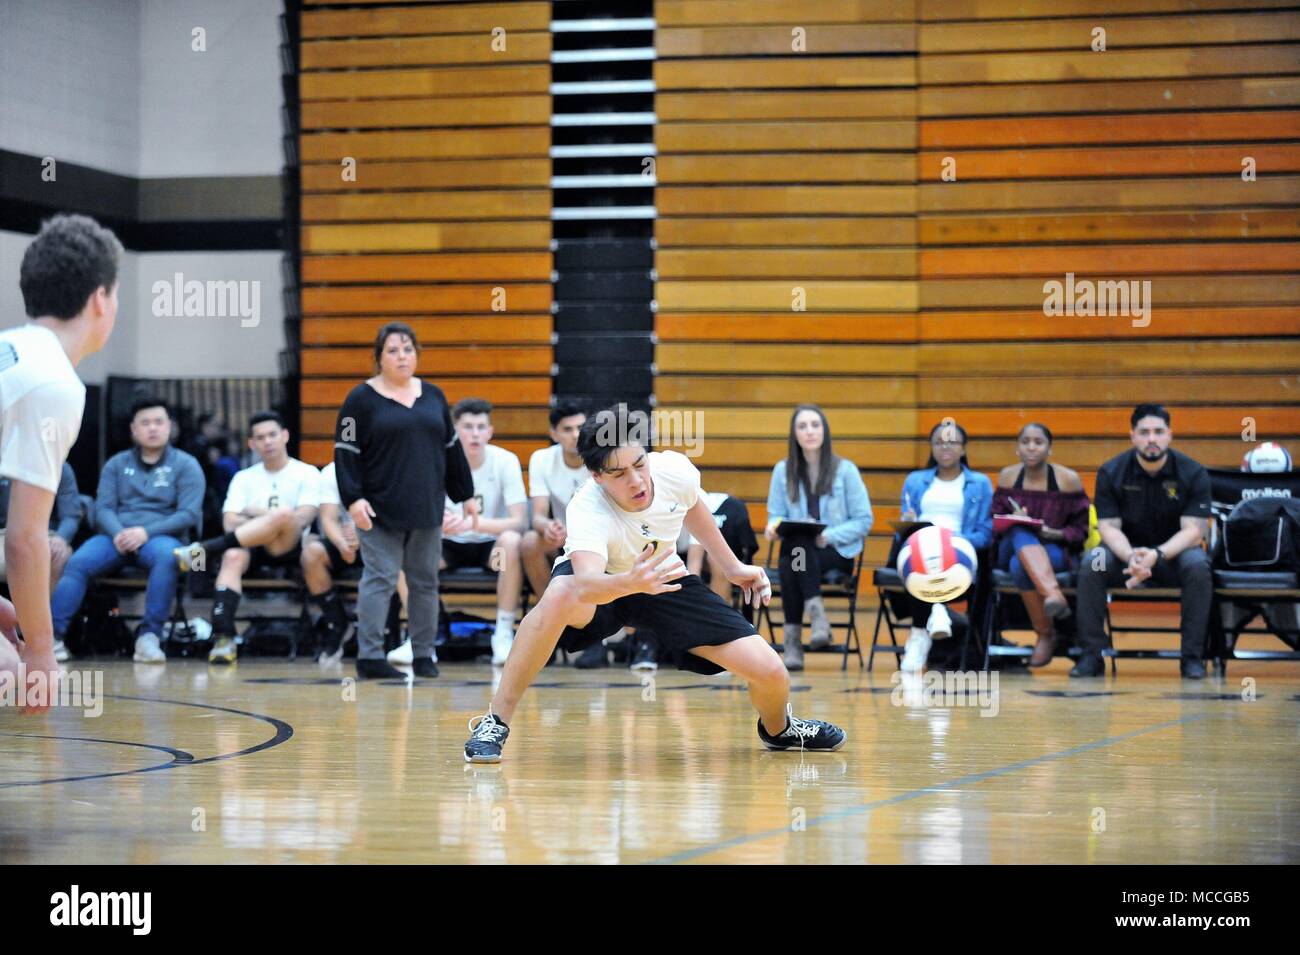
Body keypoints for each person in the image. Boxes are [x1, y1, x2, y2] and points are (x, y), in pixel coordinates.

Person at [462, 404, 846, 763]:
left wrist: (731, 566)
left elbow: (693, 506)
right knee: (560, 592)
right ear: (597, 477)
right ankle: (495, 720)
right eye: (618, 474)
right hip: (605, 587)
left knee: (772, 672)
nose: (636, 480)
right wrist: (630, 580)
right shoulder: (587, 506)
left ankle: (779, 730)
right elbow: (587, 584)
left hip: (663, 578)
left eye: (639, 464)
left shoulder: (673, 469)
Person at [0, 214, 121, 714]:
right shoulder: (54, 383)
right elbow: (25, 540)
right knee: (12, 669)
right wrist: (44, 655)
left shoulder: (13, 349)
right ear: (100, 299)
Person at [334, 322, 475, 680]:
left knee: (425, 582)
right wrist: (352, 499)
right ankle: (369, 656)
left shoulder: (433, 396)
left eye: (408, 349)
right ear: (379, 357)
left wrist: (465, 495)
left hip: (426, 506)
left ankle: (424, 655)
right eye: (393, 350)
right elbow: (345, 453)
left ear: (417, 354)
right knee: (379, 579)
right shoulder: (359, 400)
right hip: (378, 508)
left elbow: (451, 448)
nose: (402, 356)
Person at [51, 397, 204, 664]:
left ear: (170, 427)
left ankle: (149, 638)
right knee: (78, 562)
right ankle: (51, 638)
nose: (152, 428)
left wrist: (144, 533)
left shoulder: (187, 464)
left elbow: (189, 514)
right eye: (145, 423)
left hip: (163, 538)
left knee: (168, 559)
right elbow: (103, 508)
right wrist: (120, 533)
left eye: (159, 422)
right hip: (115, 536)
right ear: (134, 430)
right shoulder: (116, 464)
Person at [1072, 404, 1212, 680]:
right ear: (1132, 436)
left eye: (1158, 432)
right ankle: (1091, 656)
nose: (1152, 439)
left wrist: (1156, 555)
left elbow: (1194, 530)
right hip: (1124, 553)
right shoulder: (1111, 471)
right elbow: (1108, 527)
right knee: (1092, 563)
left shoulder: (1193, 472)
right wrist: (1131, 557)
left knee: (1198, 566)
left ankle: (1192, 659)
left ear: (1170, 435)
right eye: (1144, 432)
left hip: (1174, 554)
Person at [174, 411, 320, 665]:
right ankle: (224, 637)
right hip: (249, 546)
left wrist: (256, 513)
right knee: (232, 554)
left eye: (273, 435)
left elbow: (302, 518)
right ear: (251, 443)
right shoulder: (244, 477)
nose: (268, 442)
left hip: (290, 547)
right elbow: (229, 522)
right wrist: (271, 521)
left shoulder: (307, 473)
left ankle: (203, 550)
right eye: (260, 437)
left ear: (285, 436)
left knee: (286, 516)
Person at [764, 404, 872, 671]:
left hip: (836, 553)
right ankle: (817, 617)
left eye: (815, 425)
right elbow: (776, 514)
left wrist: (829, 535)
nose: (809, 431)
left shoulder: (845, 471)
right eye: (802, 426)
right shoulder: (783, 470)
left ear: (824, 431)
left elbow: (864, 520)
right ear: (794, 434)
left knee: (793, 553)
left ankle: (792, 644)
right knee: (796, 545)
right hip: (801, 556)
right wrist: (773, 527)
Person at [897, 420, 992, 672]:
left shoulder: (980, 483)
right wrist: (907, 523)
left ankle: (921, 631)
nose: (945, 447)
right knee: (921, 548)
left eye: (952, 442)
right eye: (939, 442)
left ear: (963, 449)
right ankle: (936, 612)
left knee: (935, 551)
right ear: (931, 448)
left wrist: (950, 540)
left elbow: (985, 534)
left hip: (960, 552)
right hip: (920, 549)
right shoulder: (915, 481)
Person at [992, 423, 1090, 666]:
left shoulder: (1067, 479)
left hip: (1054, 547)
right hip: (1010, 545)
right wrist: (1019, 522)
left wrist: (1053, 532)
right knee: (1018, 528)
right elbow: (994, 519)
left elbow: (1082, 529)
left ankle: (1045, 634)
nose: (1031, 447)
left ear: (1050, 449)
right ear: (1017, 448)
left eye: (1038, 442)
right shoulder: (1008, 476)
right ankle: (1053, 595)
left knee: (1019, 566)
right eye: (1025, 442)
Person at [441, 398, 527, 665]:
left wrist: (474, 524)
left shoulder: (505, 461)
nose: (475, 434)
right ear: (455, 431)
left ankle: (502, 631)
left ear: (490, 432)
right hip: (448, 544)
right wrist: (438, 521)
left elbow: (519, 520)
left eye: (481, 427)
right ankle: (422, 634)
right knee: (411, 545)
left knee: (511, 541)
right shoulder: (438, 460)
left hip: (491, 548)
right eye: (468, 427)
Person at [300, 460, 408, 663]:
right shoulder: (333, 470)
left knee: (404, 558)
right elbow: (328, 519)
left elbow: (397, 514)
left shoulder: (388, 464)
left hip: (382, 537)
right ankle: (338, 623)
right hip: (345, 540)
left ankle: (395, 631)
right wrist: (342, 544)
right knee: (311, 554)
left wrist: (364, 536)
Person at [521, 400, 588, 602]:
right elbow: (538, 517)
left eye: (581, 428)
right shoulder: (541, 459)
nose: (576, 435)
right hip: (561, 538)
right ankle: (549, 610)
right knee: (530, 542)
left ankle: (612, 624)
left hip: (597, 538)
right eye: (567, 429)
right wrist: (549, 526)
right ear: (554, 434)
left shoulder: (602, 458)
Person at [0, 463, 82, 597]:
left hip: (46, 536)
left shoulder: (59, 466)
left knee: (57, 556)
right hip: (4, 535)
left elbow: (71, 516)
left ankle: (44, 616)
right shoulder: (6, 463)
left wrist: (61, 538)